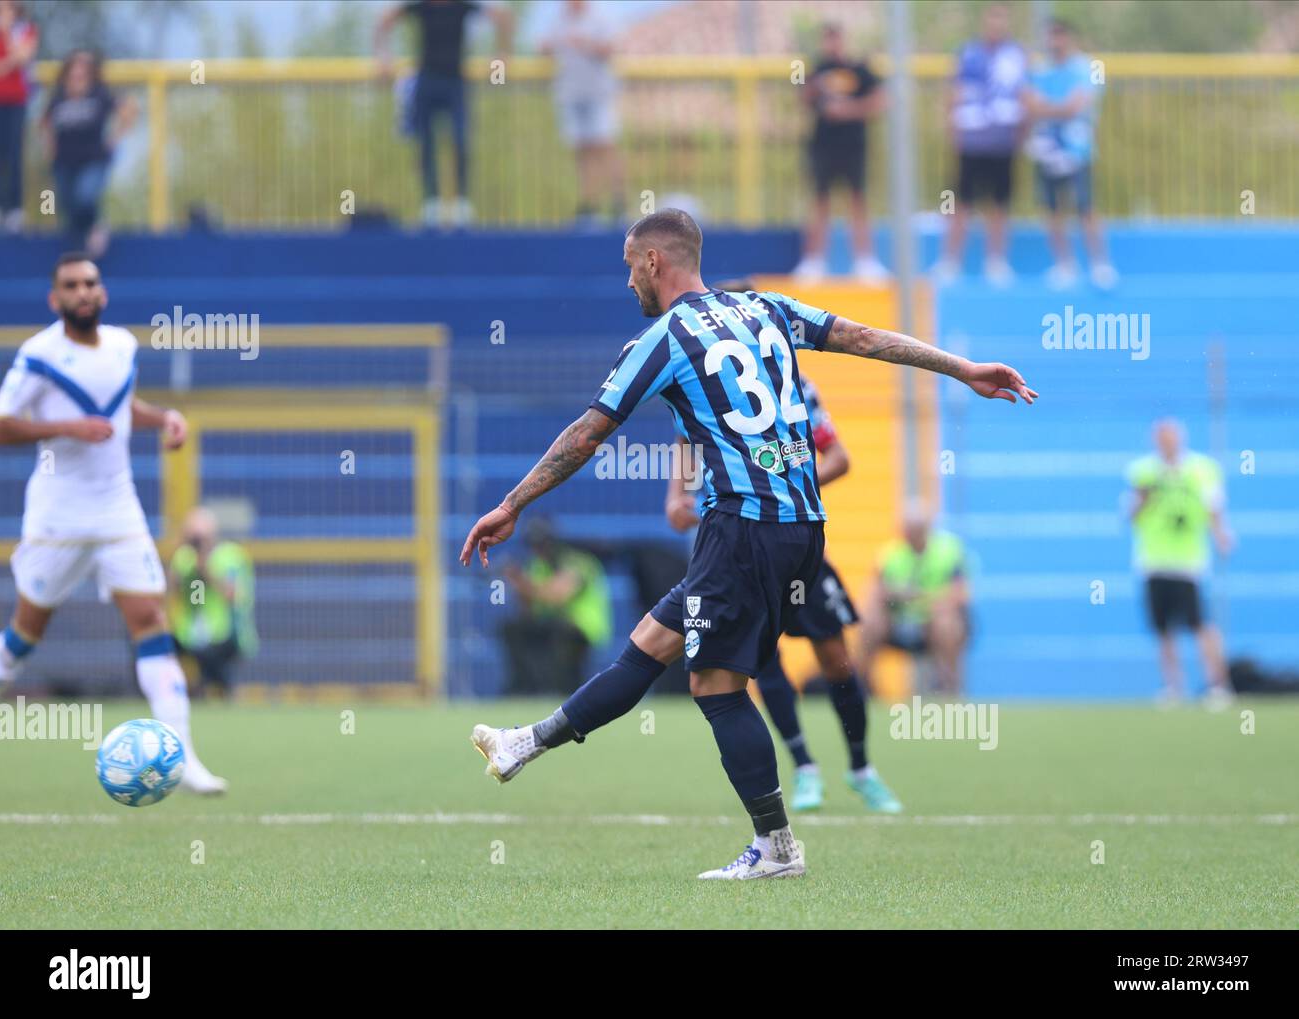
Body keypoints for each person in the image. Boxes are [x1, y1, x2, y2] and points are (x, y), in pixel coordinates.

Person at [460, 208, 1036, 880]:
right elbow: (862, 336)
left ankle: (778, 845)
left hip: (742, 527)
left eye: (628, 266)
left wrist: (512, 503)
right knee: (650, 644)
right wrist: (962, 367)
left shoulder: (665, 337)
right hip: (799, 527)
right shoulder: (764, 307)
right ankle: (523, 743)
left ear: (653, 262)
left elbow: (586, 435)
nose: (627, 283)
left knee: (714, 684)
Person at [0, 253, 227, 794]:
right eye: (72, 285)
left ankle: (184, 756)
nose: (83, 292)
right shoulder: (39, 355)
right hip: (57, 517)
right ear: (55, 299)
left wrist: (164, 418)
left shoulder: (124, 345)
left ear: (102, 294)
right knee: (25, 635)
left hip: (118, 509)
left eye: (91, 283)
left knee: (151, 619)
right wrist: (67, 428)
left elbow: (120, 409)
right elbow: (3, 424)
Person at [665, 373, 902, 814]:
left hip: (795, 550)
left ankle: (861, 767)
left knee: (834, 657)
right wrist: (677, 495)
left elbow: (839, 459)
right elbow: (685, 436)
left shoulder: (791, 385)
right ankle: (804, 766)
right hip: (740, 554)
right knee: (763, 660)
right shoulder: (704, 381)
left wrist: (782, 492)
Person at [375, 0, 513, 229]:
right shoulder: (421, 6)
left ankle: (461, 203)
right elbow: (384, 20)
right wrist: (382, 56)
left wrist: (501, 56)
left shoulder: (462, 6)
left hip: (455, 83)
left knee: (460, 140)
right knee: (426, 144)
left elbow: (504, 16)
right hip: (426, 81)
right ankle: (431, 203)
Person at [1125, 419, 1233, 706]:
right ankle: (1173, 687)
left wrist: (1221, 534)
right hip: (1152, 560)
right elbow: (1131, 515)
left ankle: (1218, 685)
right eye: (1161, 437)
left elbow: (1214, 507)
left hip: (1188, 561)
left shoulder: (1202, 469)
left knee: (1200, 624)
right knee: (1163, 629)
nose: (1166, 442)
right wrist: (1143, 498)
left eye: (1171, 437)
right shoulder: (1143, 471)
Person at [933, 3, 1026, 287]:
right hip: (972, 140)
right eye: (992, 18)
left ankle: (996, 261)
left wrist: (1021, 134)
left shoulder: (1016, 56)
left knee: (999, 202)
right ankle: (951, 261)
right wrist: (951, 127)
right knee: (961, 201)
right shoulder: (969, 53)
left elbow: (1023, 95)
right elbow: (955, 91)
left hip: (1001, 141)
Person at [1024, 18, 1117, 290]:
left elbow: (1077, 105)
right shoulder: (1039, 70)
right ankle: (1064, 264)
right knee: (1052, 209)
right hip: (1046, 151)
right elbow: (1029, 103)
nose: (1055, 42)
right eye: (1051, 37)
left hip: (1077, 152)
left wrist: (1049, 109)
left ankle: (1100, 264)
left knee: (1085, 208)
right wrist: (1058, 109)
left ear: (1069, 38)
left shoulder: (1086, 67)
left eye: (1060, 36)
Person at [792, 22, 888, 283]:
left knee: (857, 200)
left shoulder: (859, 68)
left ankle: (865, 261)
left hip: (853, 146)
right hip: (823, 145)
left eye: (836, 38)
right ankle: (814, 261)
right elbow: (801, 96)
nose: (832, 44)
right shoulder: (814, 69)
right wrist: (815, 87)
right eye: (828, 39)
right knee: (820, 201)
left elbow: (880, 100)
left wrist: (849, 110)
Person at [860, 504, 971, 699]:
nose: (913, 535)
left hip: (935, 620)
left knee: (945, 621)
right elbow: (874, 594)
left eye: (918, 530)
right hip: (899, 619)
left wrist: (927, 599)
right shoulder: (890, 555)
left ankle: (949, 687)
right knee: (869, 621)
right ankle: (864, 687)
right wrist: (896, 594)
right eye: (909, 530)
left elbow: (961, 594)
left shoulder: (948, 551)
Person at [40, 50, 137, 257]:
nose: (77, 78)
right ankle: (78, 252)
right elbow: (45, 122)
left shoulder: (100, 95)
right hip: (64, 161)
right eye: (73, 73)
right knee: (68, 205)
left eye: (82, 74)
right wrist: (50, 146)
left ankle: (96, 227)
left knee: (85, 196)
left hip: (94, 159)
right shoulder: (58, 98)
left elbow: (128, 110)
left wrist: (115, 138)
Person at [499, 517, 612, 695]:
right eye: (533, 545)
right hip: (551, 623)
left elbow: (558, 596)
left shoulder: (578, 562)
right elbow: (528, 610)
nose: (538, 550)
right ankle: (522, 688)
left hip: (583, 628)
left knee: (560, 634)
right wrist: (517, 588)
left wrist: (522, 582)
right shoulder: (537, 566)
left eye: (542, 544)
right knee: (512, 629)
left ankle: (563, 690)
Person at [540, 0, 624, 226]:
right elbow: (544, 47)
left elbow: (611, 49)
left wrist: (585, 44)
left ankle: (619, 203)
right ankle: (590, 205)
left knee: (605, 146)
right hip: (570, 94)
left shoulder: (601, 16)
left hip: (598, 94)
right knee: (583, 150)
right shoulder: (559, 20)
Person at [169, 506, 258, 700]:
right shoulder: (183, 558)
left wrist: (206, 568)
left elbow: (233, 595)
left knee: (208, 655)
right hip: (188, 632)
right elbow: (172, 591)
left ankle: (219, 689)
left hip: (224, 632)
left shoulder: (230, 556)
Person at [0, 0, 37, 234]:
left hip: (16, 101)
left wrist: (5, 32)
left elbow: (24, 57)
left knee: (13, 155)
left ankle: (14, 210)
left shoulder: (25, 29)